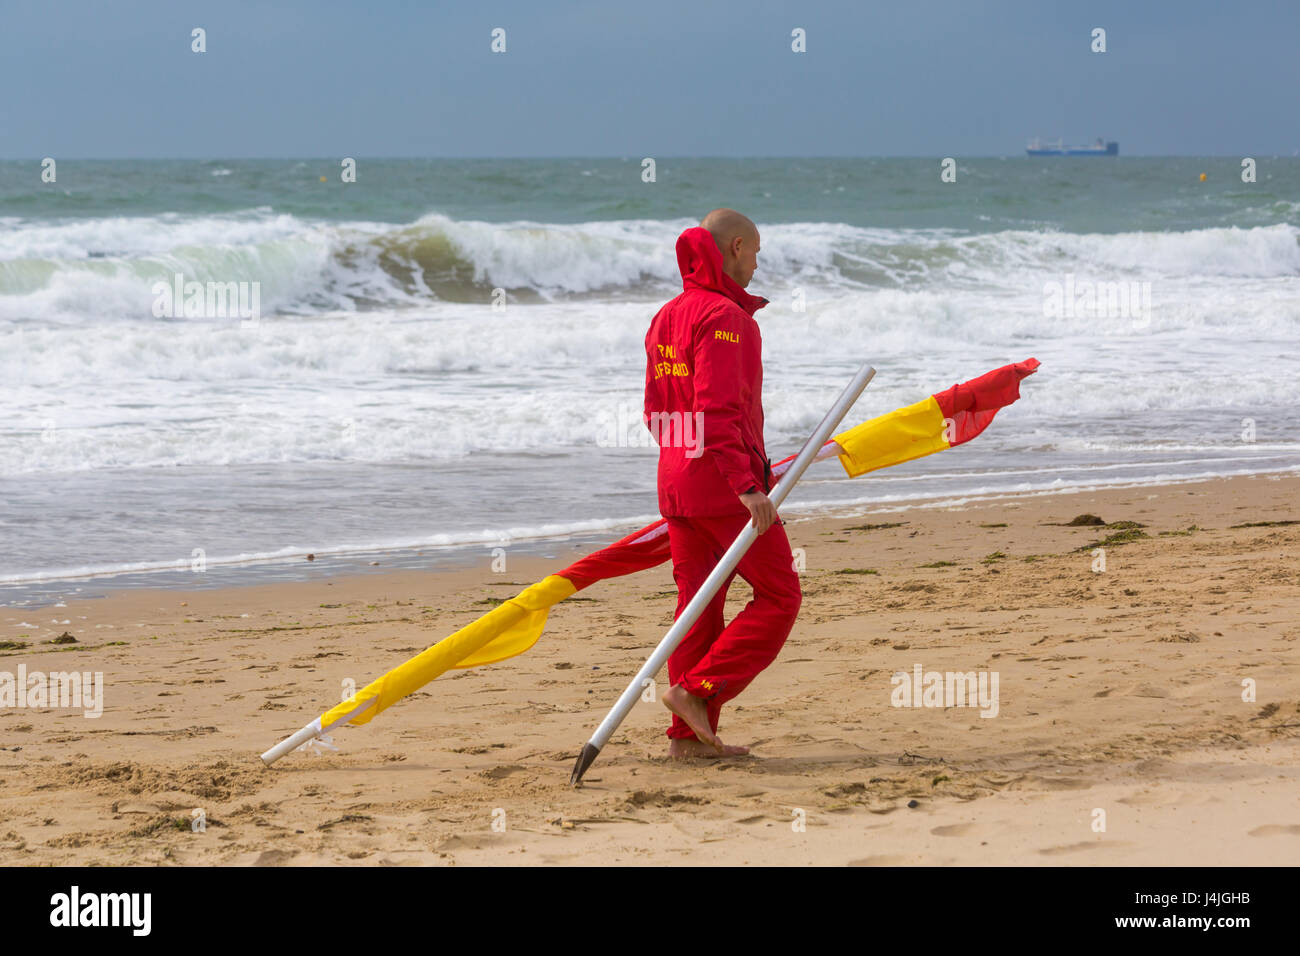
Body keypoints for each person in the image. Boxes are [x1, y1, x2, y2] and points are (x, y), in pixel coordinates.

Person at [642, 208, 802, 758]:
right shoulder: (728, 319)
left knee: (697, 608)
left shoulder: (667, 316)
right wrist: (746, 486)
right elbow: (717, 410)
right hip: (721, 487)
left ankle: (689, 742)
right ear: (735, 247)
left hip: (678, 484)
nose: (757, 265)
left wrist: (683, 467)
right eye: (755, 253)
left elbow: (656, 412)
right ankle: (695, 691)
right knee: (780, 596)